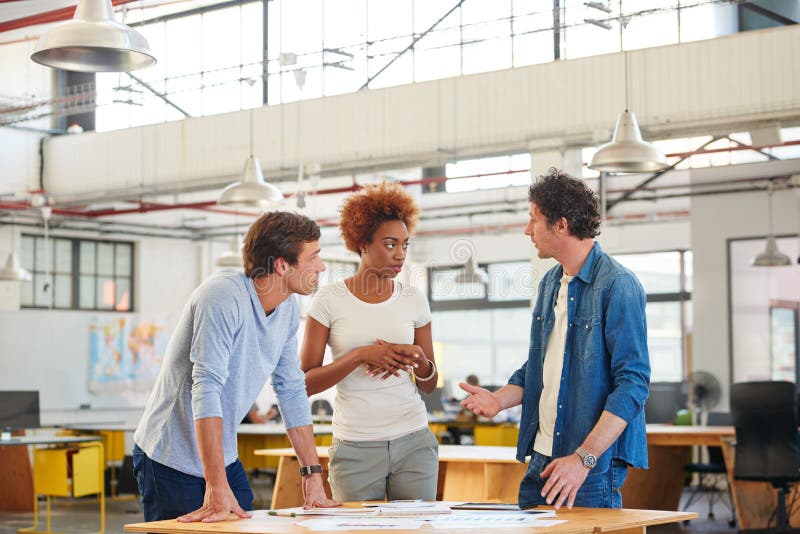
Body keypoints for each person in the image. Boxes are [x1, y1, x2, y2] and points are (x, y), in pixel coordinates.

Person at [460, 168, 650, 511]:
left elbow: (633, 384)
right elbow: (542, 365)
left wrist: (583, 459)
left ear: (560, 225)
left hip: (588, 468)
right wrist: (498, 401)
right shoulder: (550, 283)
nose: (527, 230)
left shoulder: (617, 285)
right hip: (542, 456)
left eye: (534, 220)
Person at [133, 212, 338, 522]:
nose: (321, 266)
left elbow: (291, 388)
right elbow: (206, 387)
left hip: (224, 457)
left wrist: (312, 476)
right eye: (314, 257)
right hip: (171, 457)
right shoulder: (223, 296)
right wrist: (216, 485)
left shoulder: (286, 308)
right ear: (282, 265)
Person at [301, 183, 440, 502]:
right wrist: (360, 355)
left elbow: (429, 385)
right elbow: (304, 383)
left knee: (417, 526)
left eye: (405, 244)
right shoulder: (328, 300)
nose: (400, 254)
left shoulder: (414, 300)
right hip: (355, 447)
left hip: (414, 441)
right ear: (362, 243)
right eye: (390, 244)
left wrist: (420, 361)